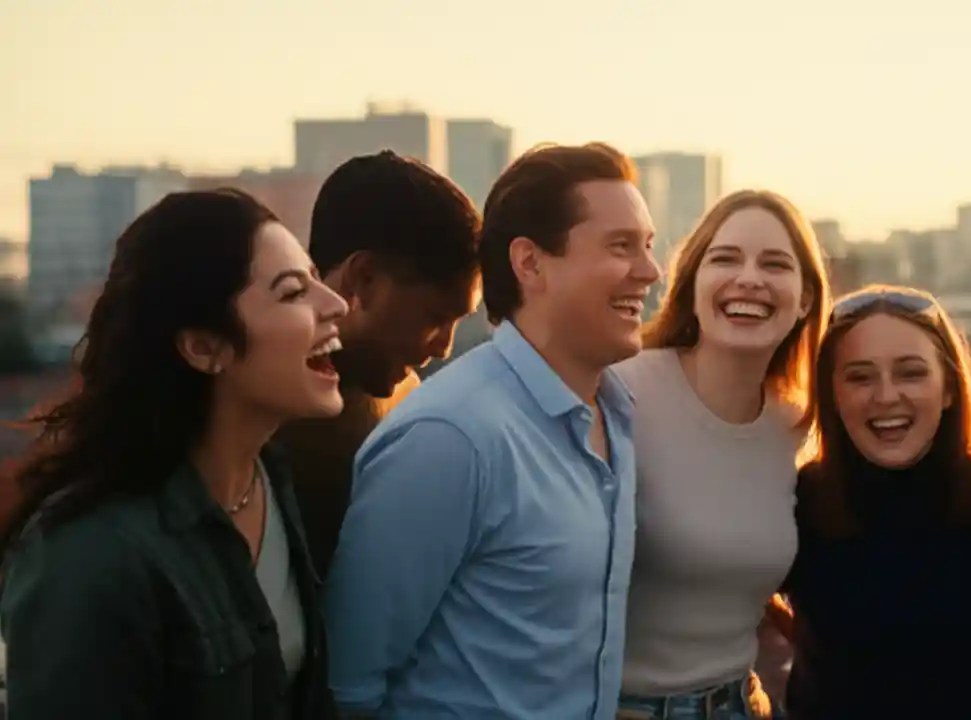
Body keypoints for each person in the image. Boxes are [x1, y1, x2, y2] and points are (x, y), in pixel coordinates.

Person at [324, 142, 662, 719]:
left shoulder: (623, 414)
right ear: (529, 263)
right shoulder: (450, 436)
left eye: (648, 247)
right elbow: (352, 683)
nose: (650, 271)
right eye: (621, 246)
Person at [0, 189, 348, 719]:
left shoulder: (269, 482)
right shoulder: (90, 554)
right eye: (293, 291)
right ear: (204, 347)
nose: (335, 304)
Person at [613, 190, 830, 720]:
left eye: (775, 264)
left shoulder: (795, 426)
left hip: (739, 705)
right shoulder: (618, 391)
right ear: (691, 285)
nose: (749, 278)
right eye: (726, 258)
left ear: (804, 300)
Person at [782, 285, 971, 719]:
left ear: (949, 389)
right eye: (860, 376)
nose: (886, 396)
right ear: (832, 396)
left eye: (911, 373)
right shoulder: (797, 502)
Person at [274, 150, 481, 579]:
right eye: (435, 318)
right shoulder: (251, 406)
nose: (445, 347)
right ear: (363, 278)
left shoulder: (411, 411)